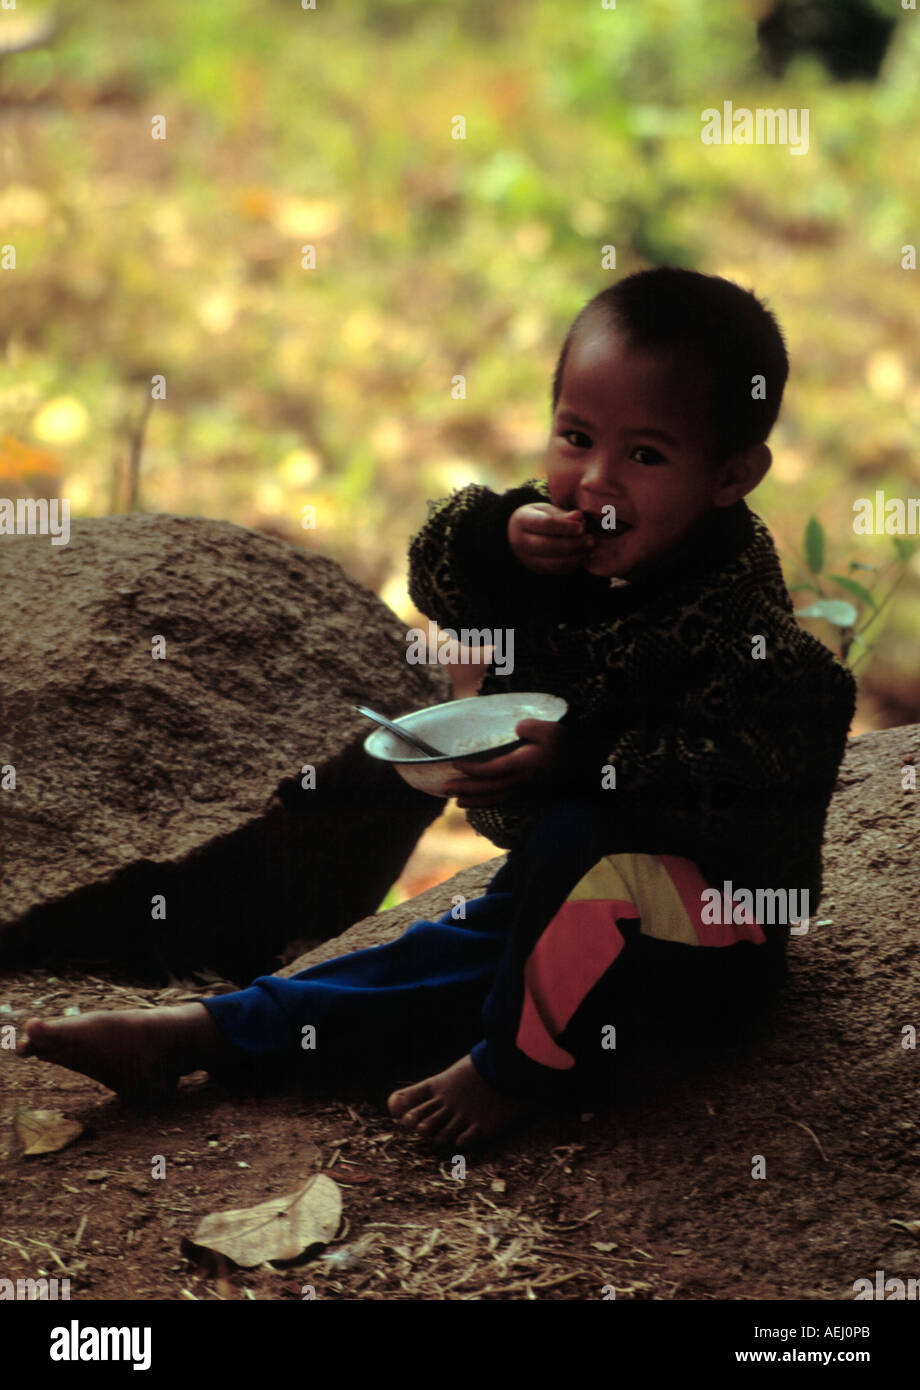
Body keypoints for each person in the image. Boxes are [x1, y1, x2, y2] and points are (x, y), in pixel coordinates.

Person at [16, 268, 857, 1146]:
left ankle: (514, 1072)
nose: (594, 481)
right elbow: (437, 579)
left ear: (732, 476)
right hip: (571, 899)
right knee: (441, 959)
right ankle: (202, 1033)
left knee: (568, 869)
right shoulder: (564, 553)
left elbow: (745, 768)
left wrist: (582, 760)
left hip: (718, 930)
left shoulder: (741, 623)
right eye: (574, 437)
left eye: (646, 456)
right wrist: (497, 542)